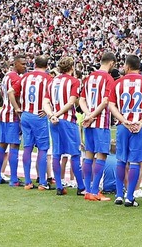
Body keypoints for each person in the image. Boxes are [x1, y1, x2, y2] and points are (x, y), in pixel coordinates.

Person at [110, 54, 142, 208]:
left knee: (121, 159)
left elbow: (111, 105)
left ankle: (119, 194)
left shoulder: (118, 83)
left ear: (126, 66)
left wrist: (123, 119)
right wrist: (140, 122)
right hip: (139, 126)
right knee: (134, 161)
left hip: (123, 125)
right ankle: (130, 196)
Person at [81, 51, 116, 201]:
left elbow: (81, 99)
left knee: (89, 154)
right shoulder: (108, 78)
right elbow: (105, 101)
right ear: (111, 63)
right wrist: (94, 115)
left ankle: (87, 189)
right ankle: (95, 191)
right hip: (100, 121)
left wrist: (88, 114)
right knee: (101, 154)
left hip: (88, 121)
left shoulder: (89, 78)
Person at [49, 55, 85, 195]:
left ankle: (59, 186)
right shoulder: (74, 81)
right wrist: (57, 114)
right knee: (75, 154)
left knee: (56, 154)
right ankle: (81, 187)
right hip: (67, 120)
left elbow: (46, 101)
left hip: (54, 120)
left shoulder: (53, 81)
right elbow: (71, 102)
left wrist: (52, 114)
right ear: (72, 67)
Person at [19, 54, 54, 189]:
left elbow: (12, 91)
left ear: (34, 65)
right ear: (46, 66)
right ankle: (42, 182)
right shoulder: (48, 79)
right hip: (39, 115)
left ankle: (27, 181)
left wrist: (18, 108)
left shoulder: (25, 77)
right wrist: (47, 110)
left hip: (26, 114)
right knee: (43, 149)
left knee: (27, 147)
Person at [0, 53, 26, 186]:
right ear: (15, 64)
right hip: (12, 115)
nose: (25, 66)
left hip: (3, 113)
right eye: (22, 64)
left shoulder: (6, 76)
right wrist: (19, 110)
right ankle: (13, 179)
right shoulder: (16, 78)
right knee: (14, 146)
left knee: (2, 145)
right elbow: (14, 96)